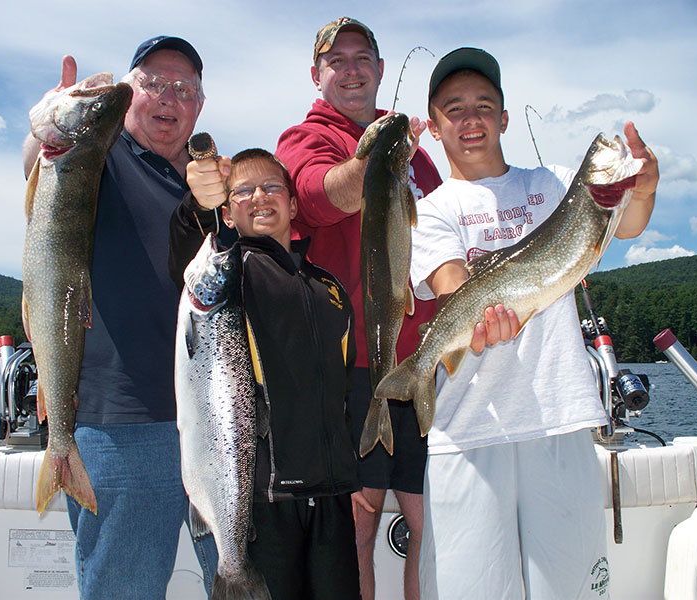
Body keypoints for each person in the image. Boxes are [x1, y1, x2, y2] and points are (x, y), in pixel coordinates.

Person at [412, 47, 659, 598]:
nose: (470, 118)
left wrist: (642, 188)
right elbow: (452, 285)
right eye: (454, 108)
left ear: (504, 117)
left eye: (484, 105)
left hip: (562, 419)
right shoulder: (429, 210)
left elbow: (627, 225)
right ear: (433, 127)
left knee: (571, 588)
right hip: (468, 432)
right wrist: (481, 322)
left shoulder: (555, 183)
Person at [21, 36, 223, 599]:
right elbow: (39, 159)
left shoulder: (211, 184)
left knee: (239, 581)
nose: (167, 97)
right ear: (129, 93)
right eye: (153, 83)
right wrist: (52, 120)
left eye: (183, 89)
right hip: (121, 426)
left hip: (215, 420)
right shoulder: (96, 157)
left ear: (199, 107)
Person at [274, 17, 442, 600]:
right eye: (336, 60)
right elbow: (319, 198)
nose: (351, 69)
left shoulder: (416, 155)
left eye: (362, 57)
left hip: (423, 367)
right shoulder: (306, 138)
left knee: (433, 524)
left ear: (379, 67)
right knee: (357, 525)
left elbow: (443, 231)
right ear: (316, 75)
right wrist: (378, 158)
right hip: (349, 373)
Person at [170, 147, 366, 599]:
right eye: (243, 190)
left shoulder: (330, 287)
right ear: (227, 211)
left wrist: (356, 474)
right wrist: (198, 205)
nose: (259, 196)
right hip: (258, 500)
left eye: (272, 186)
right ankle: (231, 571)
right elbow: (187, 241)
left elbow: (345, 391)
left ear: (293, 205)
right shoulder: (233, 270)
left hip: (331, 498)